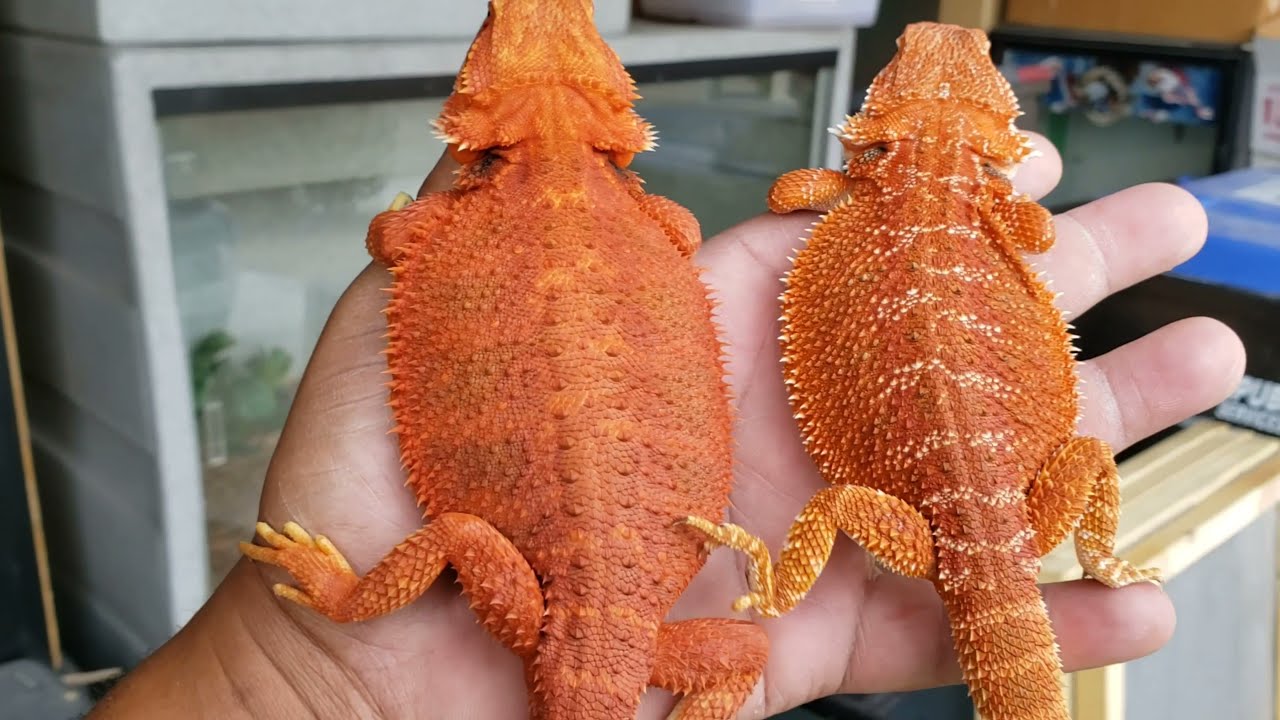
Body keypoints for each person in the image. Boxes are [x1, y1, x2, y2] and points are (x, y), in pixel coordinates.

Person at [91, 136, 1244, 719]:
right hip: (636, 625)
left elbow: (467, 547)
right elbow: (730, 641)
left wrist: (317, 644)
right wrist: (304, 667)